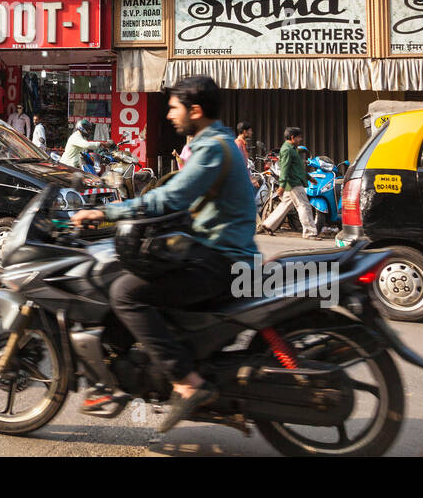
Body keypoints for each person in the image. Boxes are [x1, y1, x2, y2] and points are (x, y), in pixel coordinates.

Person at [70, 75, 259, 432]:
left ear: (196, 110)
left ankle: (187, 384)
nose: (170, 114)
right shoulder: (213, 142)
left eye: (174, 107)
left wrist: (106, 212)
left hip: (220, 260)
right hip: (218, 252)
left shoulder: (213, 147)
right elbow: (174, 192)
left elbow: (170, 199)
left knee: (125, 294)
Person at [275, 126, 318, 239]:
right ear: (293, 137)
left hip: (294, 181)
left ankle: (268, 225)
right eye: (299, 137)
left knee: (284, 205)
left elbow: (297, 168)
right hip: (293, 182)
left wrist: (309, 178)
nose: (301, 139)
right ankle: (309, 232)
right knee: (304, 206)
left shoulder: (293, 149)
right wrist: (282, 185)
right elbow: (285, 168)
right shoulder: (287, 150)